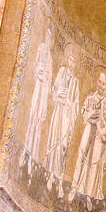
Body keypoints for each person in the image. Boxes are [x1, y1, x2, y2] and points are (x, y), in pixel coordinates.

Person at [70, 70, 106, 211]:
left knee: (94, 163)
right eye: (100, 82)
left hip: (99, 137)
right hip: (88, 131)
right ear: (97, 82)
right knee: (82, 157)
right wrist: (89, 114)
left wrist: (104, 130)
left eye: (104, 84)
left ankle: (89, 195)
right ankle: (74, 188)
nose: (101, 86)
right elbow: (82, 114)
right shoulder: (90, 98)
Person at [43, 63, 79, 195]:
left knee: (63, 146)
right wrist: (58, 94)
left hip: (67, 117)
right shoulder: (61, 73)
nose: (71, 62)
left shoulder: (75, 83)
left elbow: (76, 105)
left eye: (74, 60)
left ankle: (59, 178)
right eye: (70, 58)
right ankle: (51, 175)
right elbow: (53, 91)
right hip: (58, 112)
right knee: (54, 141)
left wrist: (69, 103)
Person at [21, 32, 53, 175]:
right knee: (32, 118)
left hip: (43, 92)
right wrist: (37, 72)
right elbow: (34, 66)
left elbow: (50, 78)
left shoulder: (50, 59)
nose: (48, 38)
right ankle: (25, 150)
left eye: (50, 36)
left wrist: (45, 78)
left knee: (38, 123)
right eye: (47, 35)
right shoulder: (40, 49)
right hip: (37, 90)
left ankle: (33, 155)